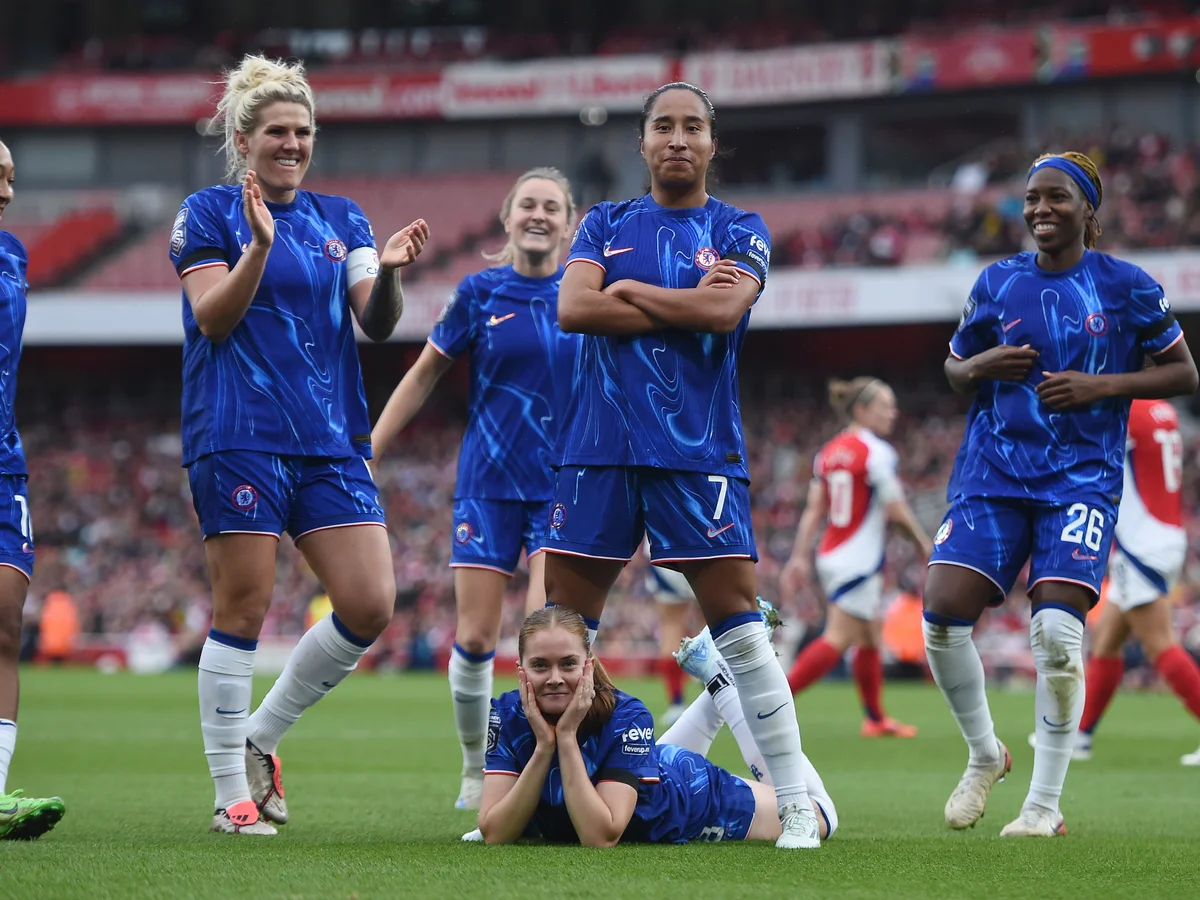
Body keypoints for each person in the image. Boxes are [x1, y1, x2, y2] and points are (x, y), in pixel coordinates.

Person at [547, 81, 820, 848]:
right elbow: (573, 309)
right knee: (562, 635)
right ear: (642, 142)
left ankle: (794, 799)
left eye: (691, 126)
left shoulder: (739, 226)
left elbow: (723, 311)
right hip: (596, 450)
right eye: (662, 125)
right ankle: (547, 791)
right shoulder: (603, 220)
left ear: (711, 143)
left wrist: (627, 289)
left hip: (697, 453)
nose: (677, 138)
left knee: (740, 629)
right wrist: (675, 296)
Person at [169, 55, 430, 835]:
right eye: (277, 131)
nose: (292, 143)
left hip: (327, 438)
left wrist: (385, 274)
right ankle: (230, 797)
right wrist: (257, 246)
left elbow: (376, 321)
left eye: (303, 131)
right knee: (243, 605)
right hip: (238, 430)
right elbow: (212, 318)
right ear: (243, 139)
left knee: (370, 601)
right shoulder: (207, 213)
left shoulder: (342, 218)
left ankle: (261, 735)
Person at [923, 151, 1198, 838]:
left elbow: (1183, 372)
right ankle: (985, 752)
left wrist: (1101, 386)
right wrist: (979, 365)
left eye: (1058, 198)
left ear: (1088, 210)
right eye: (1032, 198)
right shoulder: (995, 282)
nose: (1042, 210)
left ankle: (1043, 806)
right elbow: (956, 371)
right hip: (993, 470)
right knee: (941, 612)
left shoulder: (1127, 285)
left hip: (1080, 477)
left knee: (1055, 635)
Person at [370, 167, 579, 811]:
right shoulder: (480, 292)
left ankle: (542, 773)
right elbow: (424, 373)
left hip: (560, 489)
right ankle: (474, 768)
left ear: (570, 222)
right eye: (528, 205)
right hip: (487, 484)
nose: (538, 214)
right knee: (477, 639)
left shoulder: (586, 296)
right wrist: (367, 451)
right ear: (507, 218)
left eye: (552, 206)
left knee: (545, 635)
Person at [471, 606, 836, 846]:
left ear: (587, 665)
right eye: (540, 666)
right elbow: (496, 831)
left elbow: (600, 835)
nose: (554, 678)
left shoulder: (628, 715)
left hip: (691, 797)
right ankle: (715, 672)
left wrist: (564, 738)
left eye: (568, 664)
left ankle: (724, 679)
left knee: (822, 814)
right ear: (520, 671)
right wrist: (543, 747)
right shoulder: (506, 713)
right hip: (648, 768)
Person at [1033, 399, 1200, 762]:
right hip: (1160, 533)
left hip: (1142, 542)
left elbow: (1080, 451)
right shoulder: (1162, 409)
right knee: (1107, 641)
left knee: (1160, 644)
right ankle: (1080, 736)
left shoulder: (1127, 409)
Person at [781, 377, 932, 737]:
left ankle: (876, 719)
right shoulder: (876, 451)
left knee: (869, 636)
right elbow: (895, 510)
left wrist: (800, 556)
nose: (892, 413)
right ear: (861, 410)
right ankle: (770, 703)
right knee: (838, 637)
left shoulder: (829, 451)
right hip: (858, 559)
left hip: (832, 552)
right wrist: (924, 543)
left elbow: (813, 510)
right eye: (885, 405)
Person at [0, 139, 67, 841]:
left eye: (12, 178)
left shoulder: (13, 254)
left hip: (3, 466)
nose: (8, 190)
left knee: (4, 617)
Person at [642, 542, 696, 727]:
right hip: (707, 540)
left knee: (671, 625)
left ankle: (677, 703)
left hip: (664, 545)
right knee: (712, 625)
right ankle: (719, 700)